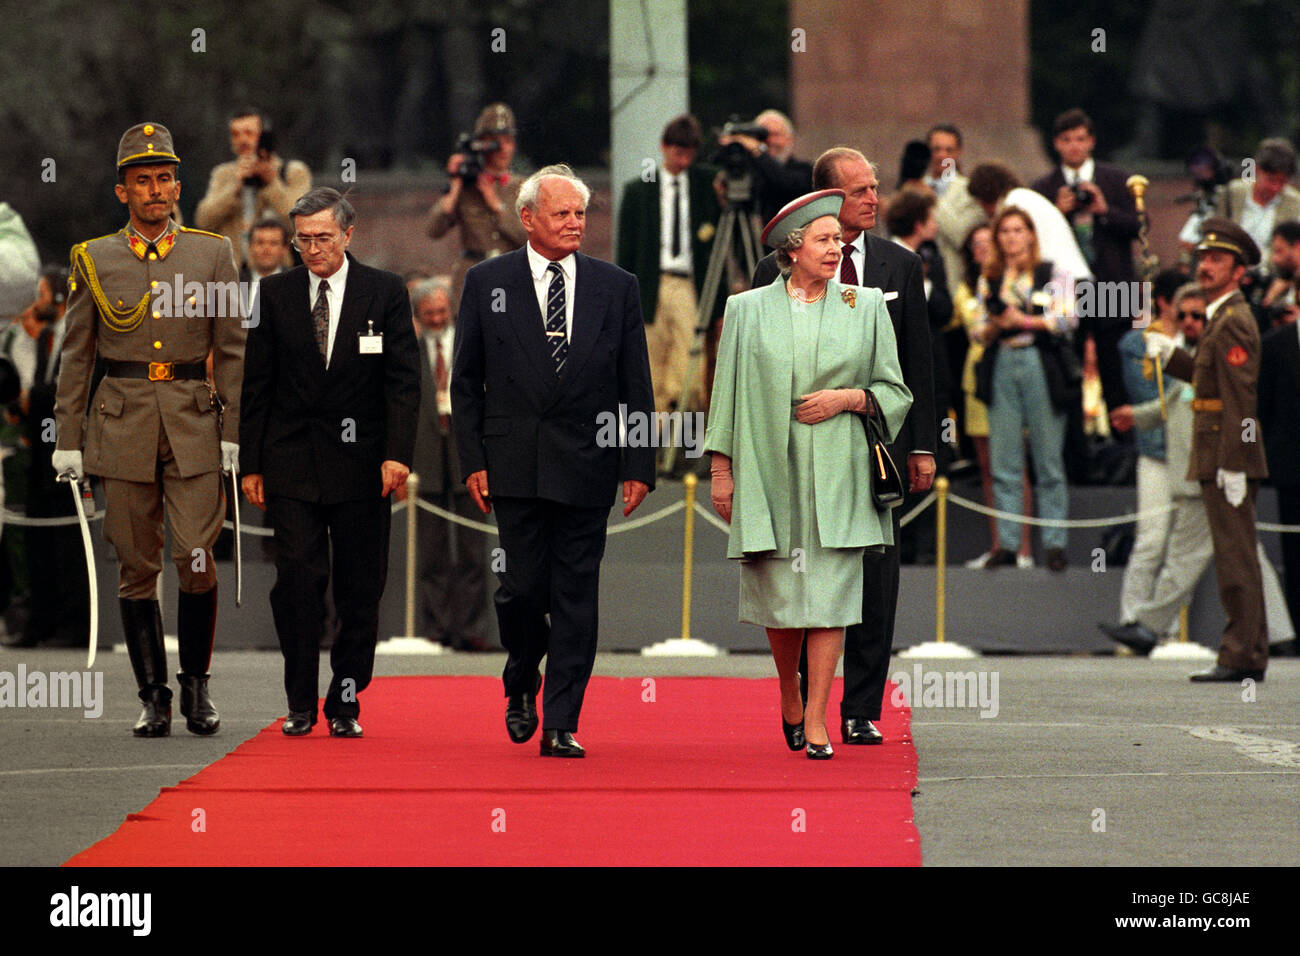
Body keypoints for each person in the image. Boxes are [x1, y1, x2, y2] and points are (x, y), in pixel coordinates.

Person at [453, 164, 655, 758]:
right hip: (513, 464)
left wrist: (638, 464)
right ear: (527, 219)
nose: (574, 223)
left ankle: (562, 720)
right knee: (519, 591)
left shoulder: (616, 286)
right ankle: (522, 677)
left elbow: (634, 385)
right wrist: (473, 460)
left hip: (588, 466)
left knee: (575, 595)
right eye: (562, 213)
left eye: (580, 213)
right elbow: (466, 384)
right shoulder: (486, 281)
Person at [53, 122, 245, 737]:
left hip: (192, 422)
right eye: (143, 180)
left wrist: (234, 431)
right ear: (123, 192)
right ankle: (153, 696)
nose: (156, 190)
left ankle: (196, 687)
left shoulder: (212, 252)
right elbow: (77, 355)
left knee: (195, 557)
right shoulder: (94, 258)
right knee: (136, 565)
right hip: (121, 423)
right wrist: (68, 439)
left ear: (177, 185)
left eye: (164, 178)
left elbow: (233, 349)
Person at [706, 189, 911, 760]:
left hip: (840, 475)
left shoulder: (864, 304)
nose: (837, 248)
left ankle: (818, 718)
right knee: (779, 596)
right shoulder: (746, 310)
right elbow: (724, 399)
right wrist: (722, 472)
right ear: (792, 250)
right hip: (769, 472)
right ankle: (788, 691)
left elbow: (896, 391)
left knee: (831, 598)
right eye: (823, 240)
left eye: (839, 240)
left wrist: (847, 398)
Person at [753, 147, 934, 745]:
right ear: (828, 198)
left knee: (875, 582)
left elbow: (918, 367)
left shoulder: (901, 267)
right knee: (809, 579)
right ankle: (808, 698)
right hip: (802, 455)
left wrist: (924, 447)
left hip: (877, 452)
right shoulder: (771, 277)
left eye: (875, 188)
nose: (873, 200)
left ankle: (860, 709)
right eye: (859, 191)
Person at [239, 187, 419, 737]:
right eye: (303, 239)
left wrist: (397, 455)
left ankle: (345, 698)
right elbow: (257, 385)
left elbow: (403, 382)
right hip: (291, 459)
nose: (312, 249)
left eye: (322, 238)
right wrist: (251, 464)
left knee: (360, 586)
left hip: (364, 464)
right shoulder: (273, 293)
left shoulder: (385, 293)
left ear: (347, 234)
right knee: (296, 579)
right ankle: (299, 699)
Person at [1103, 295, 1294, 654]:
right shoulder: (1205, 359)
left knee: (1187, 556)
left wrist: (1234, 462)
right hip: (1206, 471)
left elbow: (1233, 400)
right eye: (1184, 315)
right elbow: (1177, 400)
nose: (1189, 322)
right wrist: (1138, 415)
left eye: (1197, 316)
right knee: (1247, 555)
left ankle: (1147, 627)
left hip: (1213, 470)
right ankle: (1281, 635)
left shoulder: (1227, 347)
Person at [1145, 219, 1269, 681]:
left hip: (1227, 456)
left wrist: (1235, 464)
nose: (1205, 265)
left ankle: (1241, 654)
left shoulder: (1233, 320)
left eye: (1217, 259)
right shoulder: (1222, 315)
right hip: (1218, 452)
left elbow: (1240, 398)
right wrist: (1172, 355)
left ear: (1239, 271)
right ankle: (1247, 652)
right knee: (1235, 555)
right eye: (1202, 257)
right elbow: (1207, 376)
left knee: (1236, 560)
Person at [972, 207, 1077, 572]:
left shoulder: (1051, 272)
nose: (1012, 237)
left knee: (1048, 459)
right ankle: (1009, 543)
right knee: (1004, 460)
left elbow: (1068, 318)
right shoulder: (991, 276)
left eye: (1019, 230)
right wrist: (996, 325)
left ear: (1031, 234)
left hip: (1039, 358)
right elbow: (977, 326)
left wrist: (1025, 320)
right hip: (1002, 357)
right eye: (1005, 231)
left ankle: (1054, 543)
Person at [1031, 108, 1140, 421]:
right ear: (1056, 144)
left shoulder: (1118, 180)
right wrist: (1057, 212)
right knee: (1069, 373)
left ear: (1091, 141)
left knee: (1119, 374)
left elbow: (1138, 228)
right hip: (1064, 289)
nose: (1074, 146)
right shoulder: (1043, 187)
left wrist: (1104, 210)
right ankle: (1076, 458)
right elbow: (1033, 239)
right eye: (1067, 140)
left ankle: (1125, 457)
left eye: (1080, 139)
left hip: (1115, 286)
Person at [616, 114, 722, 420]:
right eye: (678, 153)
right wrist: (623, 298)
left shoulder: (705, 183)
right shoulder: (639, 190)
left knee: (689, 362)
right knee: (650, 363)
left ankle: (681, 440)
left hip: (688, 283)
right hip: (651, 284)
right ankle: (655, 444)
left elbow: (719, 246)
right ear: (664, 147)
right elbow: (626, 249)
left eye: (689, 153)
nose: (684, 161)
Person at [406, 277, 489, 651]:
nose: (437, 319)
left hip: (469, 461)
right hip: (425, 464)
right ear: (418, 317)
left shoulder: (473, 345)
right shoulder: (407, 351)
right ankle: (437, 629)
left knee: (473, 551)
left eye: (442, 312)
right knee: (432, 553)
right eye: (429, 314)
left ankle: (472, 630)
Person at [956, 223, 1035, 569]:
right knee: (989, 468)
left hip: (1011, 373)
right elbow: (976, 330)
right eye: (976, 244)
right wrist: (1000, 322)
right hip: (979, 380)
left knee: (1014, 465)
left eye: (989, 242)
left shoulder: (1018, 279)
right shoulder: (968, 287)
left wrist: (1005, 321)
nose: (983, 248)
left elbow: (1020, 320)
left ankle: (1024, 550)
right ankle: (999, 545)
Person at [426, 103, 528, 299]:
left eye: (508, 141)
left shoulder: (524, 187)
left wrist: (496, 205)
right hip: (472, 276)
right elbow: (433, 230)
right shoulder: (466, 187)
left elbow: (531, 239)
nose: (502, 149)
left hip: (512, 274)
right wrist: (455, 184)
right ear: (481, 145)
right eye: (494, 142)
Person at [194, 108, 311, 265]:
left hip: (280, 273)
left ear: (264, 136)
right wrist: (235, 189)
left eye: (249, 133)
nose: (242, 140)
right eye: (236, 134)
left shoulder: (292, 172)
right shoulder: (223, 174)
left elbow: (301, 224)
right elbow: (203, 221)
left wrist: (270, 183)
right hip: (235, 273)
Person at [716, 109, 814, 226]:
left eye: (776, 135)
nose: (770, 141)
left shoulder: (804, 170)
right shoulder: (749, 173)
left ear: (790, 139)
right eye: (763, 136)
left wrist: (758, 150)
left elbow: (783, 182)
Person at [1214, 139, 1300, 255]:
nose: (1276, 188)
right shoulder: (1231, 193)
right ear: (1256, 169)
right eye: (1271, 180)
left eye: (1282, 182)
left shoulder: (1294, 203)